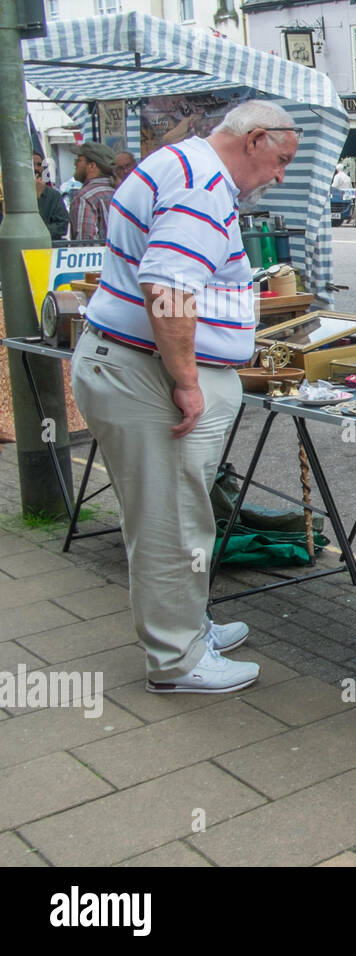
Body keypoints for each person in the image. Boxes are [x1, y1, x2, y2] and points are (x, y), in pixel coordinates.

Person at [69, 101, 301, 694]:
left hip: (128, 365)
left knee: (162, 515)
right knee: (173, 522)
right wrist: (188, 381)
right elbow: (169, 287)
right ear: (253, 140)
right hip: (148, 374)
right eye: (281, 161)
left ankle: (185, 626)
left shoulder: (175, 163)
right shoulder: (203, 186)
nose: (279, 175)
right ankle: (177, 660)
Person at [67, 141, 117, 240]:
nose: (75, 163)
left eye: (79, 160)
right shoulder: (120, 191)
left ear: (92, 166)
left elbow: (85, 245)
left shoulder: (85, 197)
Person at [33, 152, 69, 241]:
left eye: (39, 165)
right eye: (32, 164)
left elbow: (62, 227)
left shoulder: (53, 195)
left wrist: (41, 232)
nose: (36, 168)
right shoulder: (14, 195)